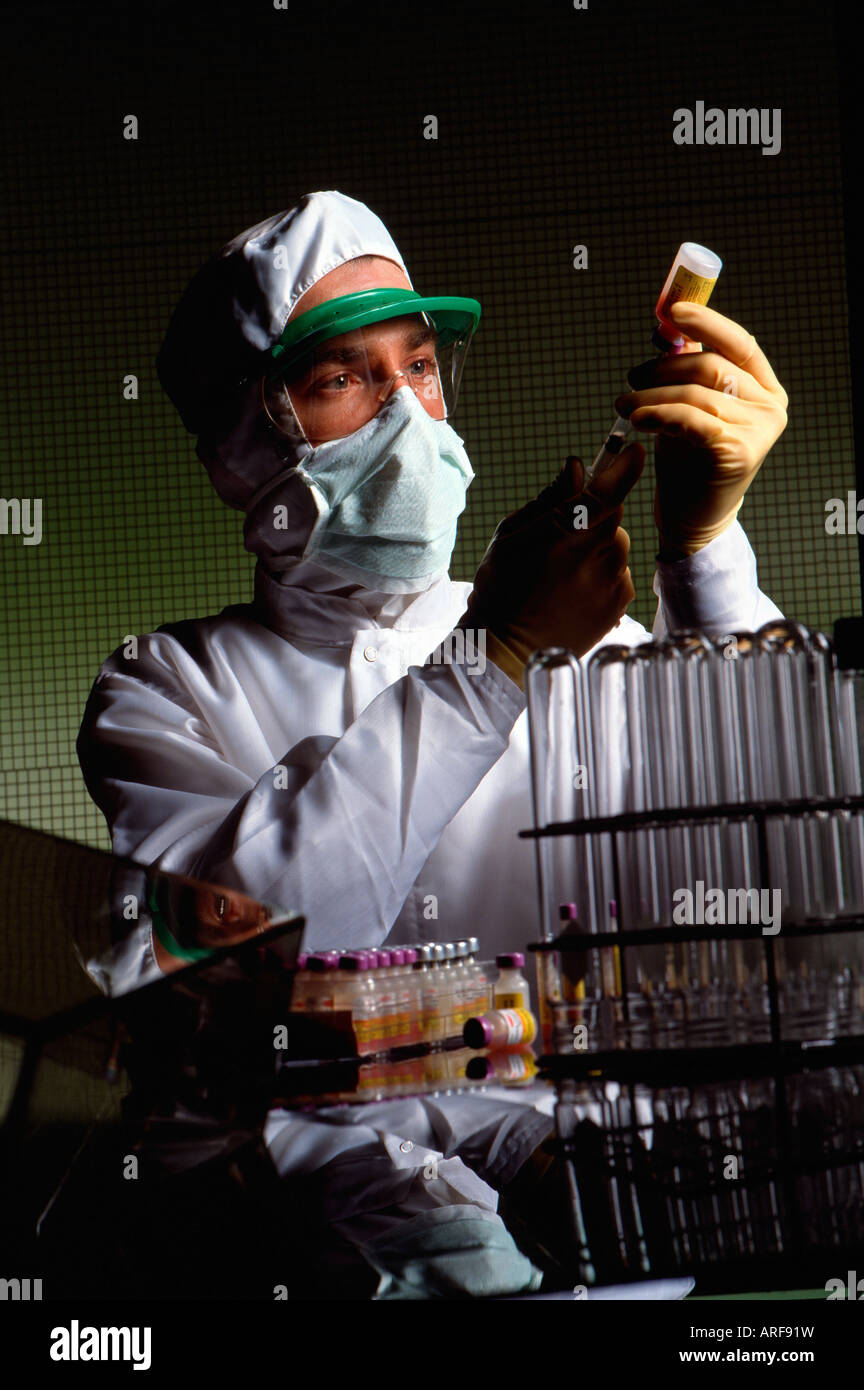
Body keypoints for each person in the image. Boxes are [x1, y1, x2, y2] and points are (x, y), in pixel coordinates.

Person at [76, 191, 787, 1295]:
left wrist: (707, 552)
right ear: (237, 449)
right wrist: (491, 657)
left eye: (418, 364)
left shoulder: (596, 649)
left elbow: (774, 886)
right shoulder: (169, 689)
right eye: (340, 379)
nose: (407, 411)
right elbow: (257, 976)